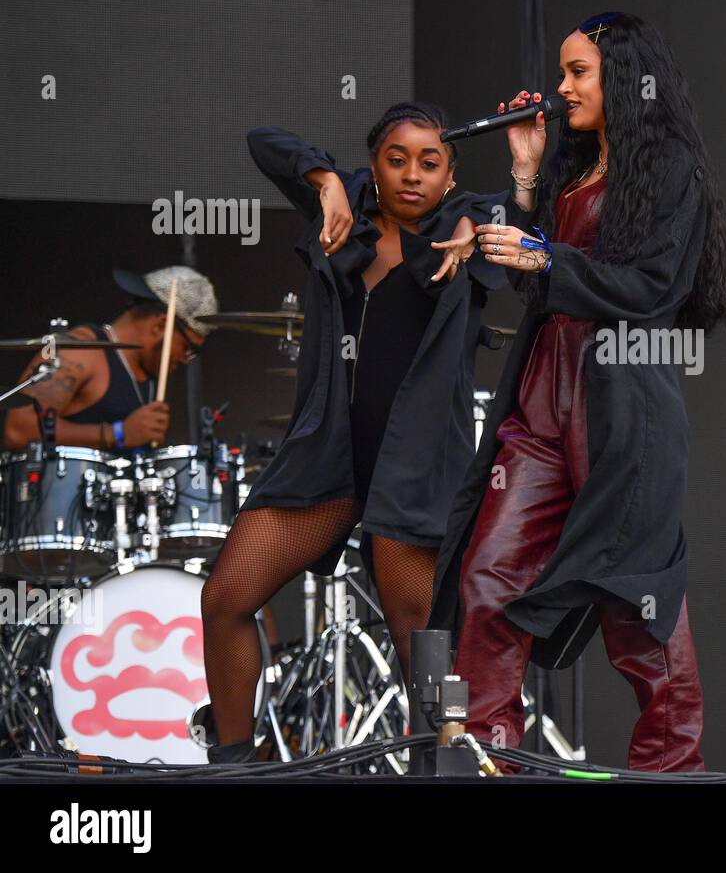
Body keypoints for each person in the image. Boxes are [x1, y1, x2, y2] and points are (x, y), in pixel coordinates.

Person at [428, 12, 726, 772]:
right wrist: (528, 175)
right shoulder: (576, 166)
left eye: (579, 73)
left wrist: (543, 258)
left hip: (621, 408)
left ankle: (672, 768)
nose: (563, 88)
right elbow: (528, 273)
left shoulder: (671, 172)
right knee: (489, 572)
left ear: (626, 81)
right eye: (562, 73)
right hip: (542, 399)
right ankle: (490, 758)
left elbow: (653, 287)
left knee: (635, 600)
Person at [200, 103, 510, 763]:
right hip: (328, 465)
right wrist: (324, 180)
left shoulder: (468, 227)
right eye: (396, 159)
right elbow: (264, 134)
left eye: (430, 162)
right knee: (225, 598)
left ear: (450, 178)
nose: (412, 174)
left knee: (419, 647)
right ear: (375, 166)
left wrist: (480, 221)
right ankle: (234, 765)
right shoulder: (340, 216)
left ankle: (437, 773)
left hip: (413, 474)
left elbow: (523, 215)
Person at [2, 266, 216, 453]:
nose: (186, 359)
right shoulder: (81, 351)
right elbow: (17, 430)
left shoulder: (147, 370)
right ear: (161, 325)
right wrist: (117, 434)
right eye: (188, 348)